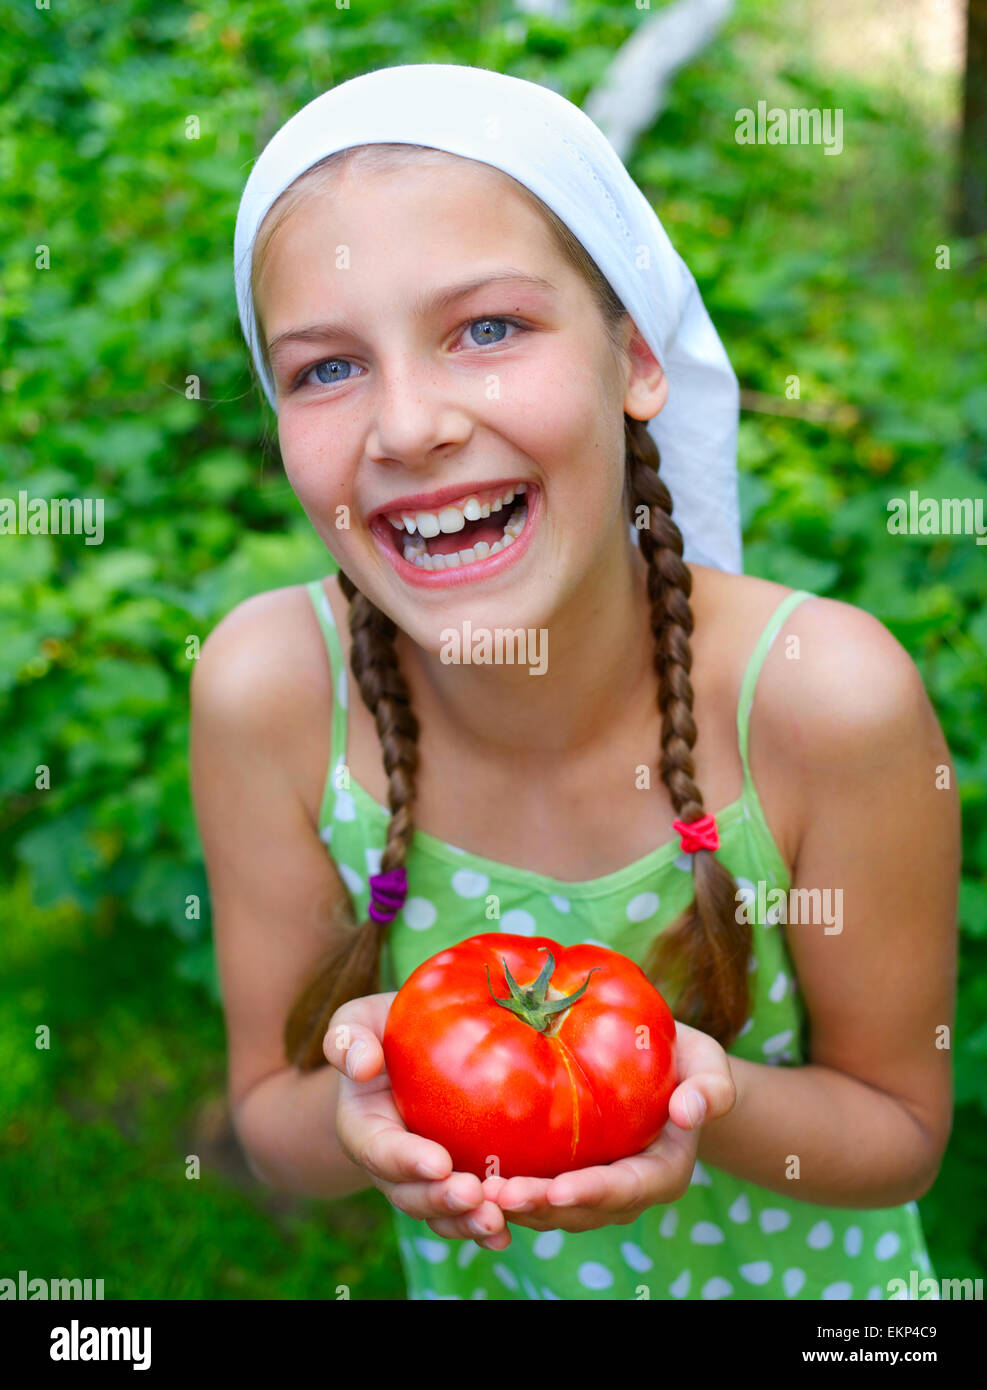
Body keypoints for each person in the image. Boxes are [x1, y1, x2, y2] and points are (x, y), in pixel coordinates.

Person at [191, 63, 959, 1300]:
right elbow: (270, 1119)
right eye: (326, 368)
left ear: (637, 360)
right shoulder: (268, 696)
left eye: (487, 329)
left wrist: (677, 1092)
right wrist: (359, 1103)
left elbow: (901, 1135)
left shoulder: (828, 701)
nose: (408, 424)